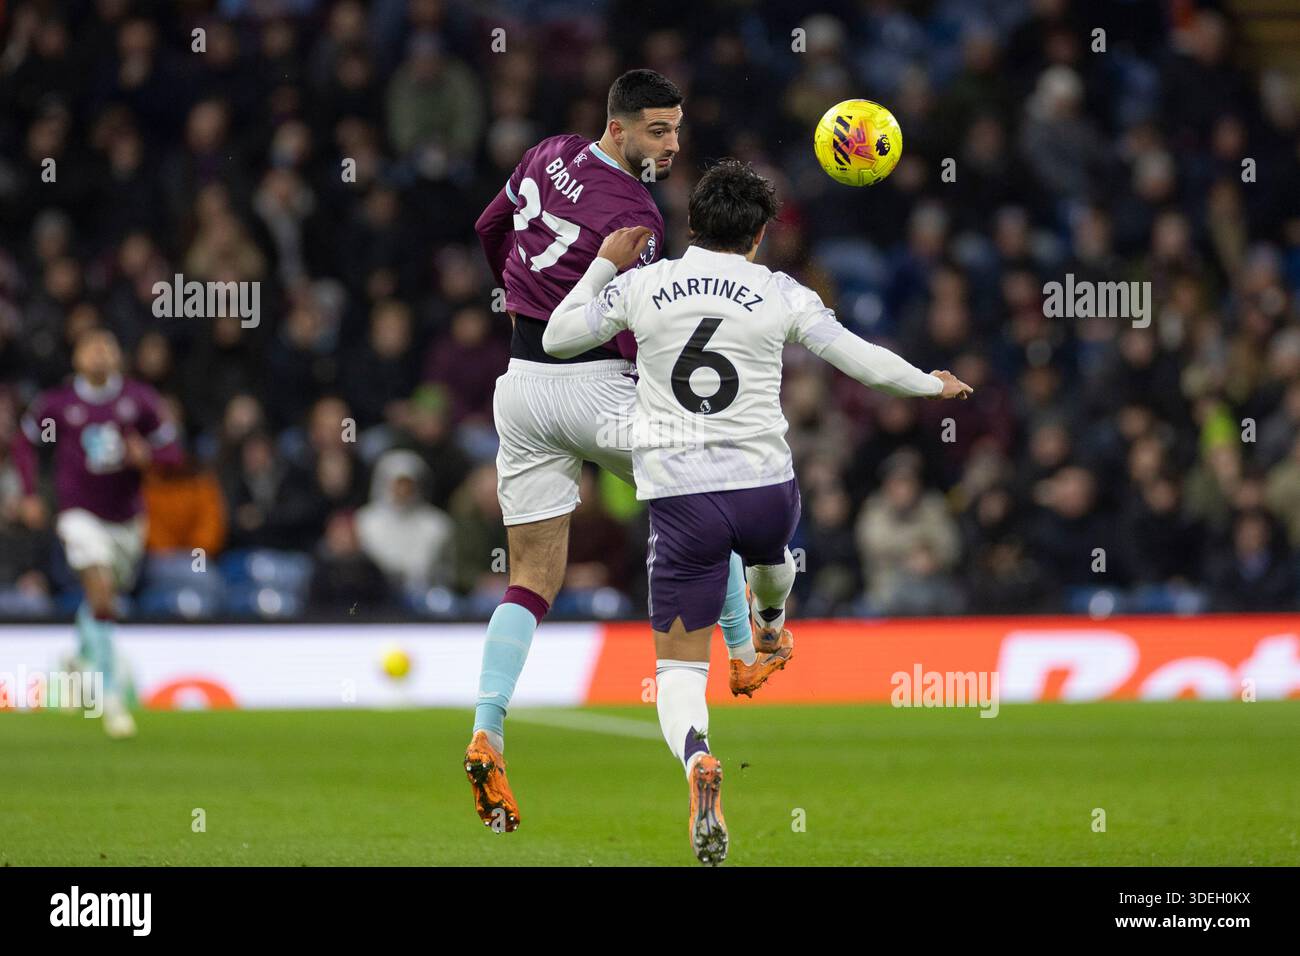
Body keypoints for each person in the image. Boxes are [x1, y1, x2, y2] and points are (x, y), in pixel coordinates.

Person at [545, 159, 972, 864]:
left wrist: (599, 267)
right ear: (761, 234)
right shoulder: (780, 291)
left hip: (682, 498)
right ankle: (769, 630)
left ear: (691, 223)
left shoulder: (644, 285)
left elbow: (560, 336)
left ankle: (697, 760)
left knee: (680, 670)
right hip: (765, 487)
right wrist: (930, 383)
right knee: (772, 558)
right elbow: (859, 359)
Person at [465, 70, 763, 833]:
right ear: (621, 128)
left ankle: (487, 730)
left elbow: (489, 229)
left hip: (521, 384)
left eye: (678, 127)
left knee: (531, 578)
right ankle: (744, 646)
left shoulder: (545, 153)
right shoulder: (636, 213)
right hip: (595, 386)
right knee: (709, 493)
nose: (672, 143)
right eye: (659, 131)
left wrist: (517, 297)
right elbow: (635, 324)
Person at [12, 328, 182, 738]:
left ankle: (81, 658)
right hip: (79, 515)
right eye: (91, 347)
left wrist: (150, 456)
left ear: (118, 356)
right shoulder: (58, 404)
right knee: (102, 593)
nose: (100, 354)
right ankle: (109, 698)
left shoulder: (139, 401)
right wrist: (31, 492)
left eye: (107, 346)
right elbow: (23, 442)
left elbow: (174, 453)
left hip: (127, 519)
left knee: (103, 600)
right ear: (77, 358)